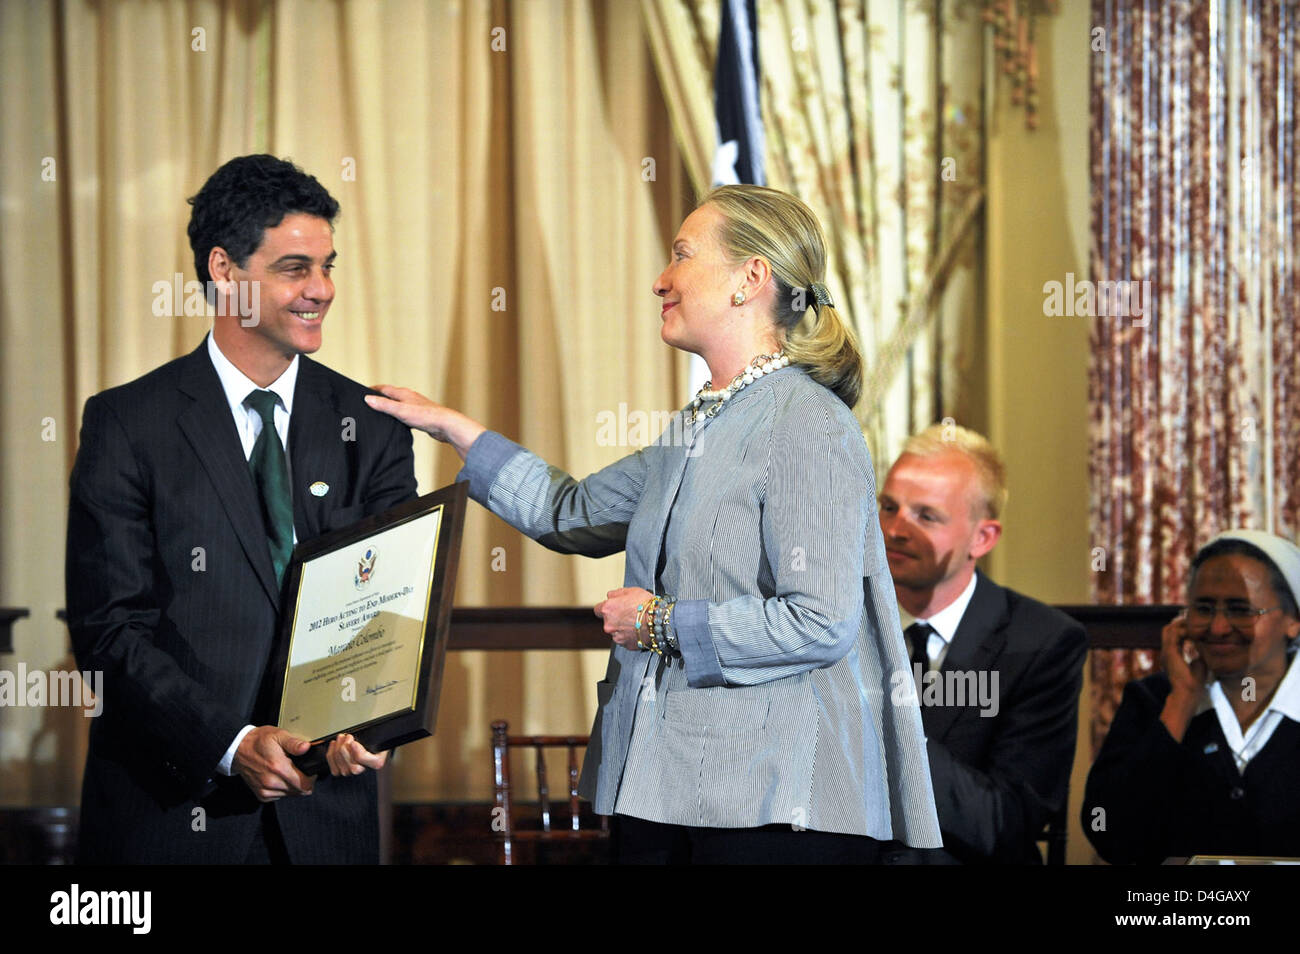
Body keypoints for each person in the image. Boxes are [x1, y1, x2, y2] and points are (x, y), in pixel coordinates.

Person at [366, 184, 941, 863]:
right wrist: (454, 428)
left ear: (749, 279)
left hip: (770, 809)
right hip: (662, 793)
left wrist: (662, 623)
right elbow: (568, 512)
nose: (659, 279)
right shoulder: (693, 427)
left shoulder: (810, 423)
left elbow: (820, 621)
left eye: (681, 255)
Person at [65, 155, 417, 864]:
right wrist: (232, 744)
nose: (321, 290)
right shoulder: (128, 423)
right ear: (224, 271)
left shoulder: (372, 424)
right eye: (295, 268)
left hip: (327, 818)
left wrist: (364, 721)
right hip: (170, 817)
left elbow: (391, 613)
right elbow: (109, 629)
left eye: (328, 265)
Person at [876, 425, 1087, 863]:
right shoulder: (831, 618)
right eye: (888, 507)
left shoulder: (1042, 643)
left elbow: (1003, 821)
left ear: (983, 538)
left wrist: (877, 717)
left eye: (925, 516)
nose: (895, 530)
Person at [1083, 530, 1300, 864]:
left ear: (1293, 621)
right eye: (1203, 608)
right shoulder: (1153, 701)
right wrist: (1182, 701)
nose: (1217, 628)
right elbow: (1109, 832)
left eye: (1240, 609)